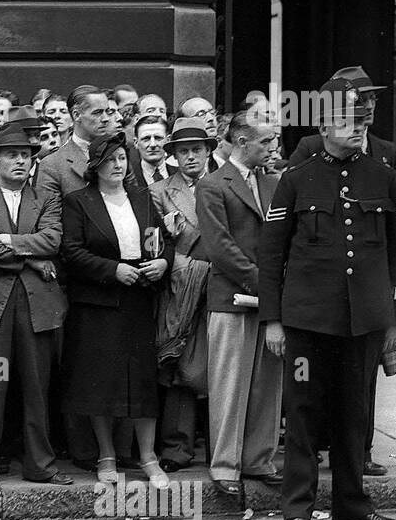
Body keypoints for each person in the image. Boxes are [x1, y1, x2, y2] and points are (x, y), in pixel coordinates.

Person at [260, 78, 396, 520]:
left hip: (363, 320)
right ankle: (297, 508)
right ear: (324, 124)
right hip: (307, 321)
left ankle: (353, 504)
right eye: (348, 120)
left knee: (354, 413)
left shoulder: (384, 176)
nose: (359, 128)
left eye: (362, 120)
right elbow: (272, 254)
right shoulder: (296, 179)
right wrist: (272, 320)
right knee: (304, 410)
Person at [61, 131, 173, 488]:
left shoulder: (141, 198)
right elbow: (72, 251)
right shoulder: (79, 201)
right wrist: (112, 270)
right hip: (99, 302)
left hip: (139, 296)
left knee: (142, 380)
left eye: (122, 158)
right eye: (109, 160)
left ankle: (149, 457)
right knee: (101, 382)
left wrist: (163, 264)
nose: (117, 165)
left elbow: (163, 240)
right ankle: (106, 455)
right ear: (95, 166)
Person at [0, 121, 68, 488]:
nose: (20, 161)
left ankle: (40, 465)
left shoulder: (47, 199)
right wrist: (31, 257)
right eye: (11, 155)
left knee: (36, 388)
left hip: (37, 308)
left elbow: (52, 240)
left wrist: (8, 239)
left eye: (25, 155)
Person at [196, 108, 284, 497]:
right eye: (265, 141)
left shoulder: (274, 183)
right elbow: (220, 248)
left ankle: (258, 459)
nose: (272, 147)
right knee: (230, 384)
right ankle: (226, 466)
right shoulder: (213, 184)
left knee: (268, 381)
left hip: (267, 297)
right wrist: (265, 283)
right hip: (232, 298)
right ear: (242, 141)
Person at [148, 120, 214, 472]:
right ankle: (176, 448)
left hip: (221, 282)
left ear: (208, 152)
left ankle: (219, 447)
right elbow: (155, 245)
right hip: (181, 286)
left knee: (220, 364)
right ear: (172, 156)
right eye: (183, 151)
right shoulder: (159, 192)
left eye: (197, 150)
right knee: (179, 365)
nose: (190, 156)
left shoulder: (222, 184)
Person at [36, 85, 120, 204]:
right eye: (97, 112)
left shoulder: (118, 153)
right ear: (76, 115)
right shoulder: (52, 165)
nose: (106, 118)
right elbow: (49, 217)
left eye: (108, 111)